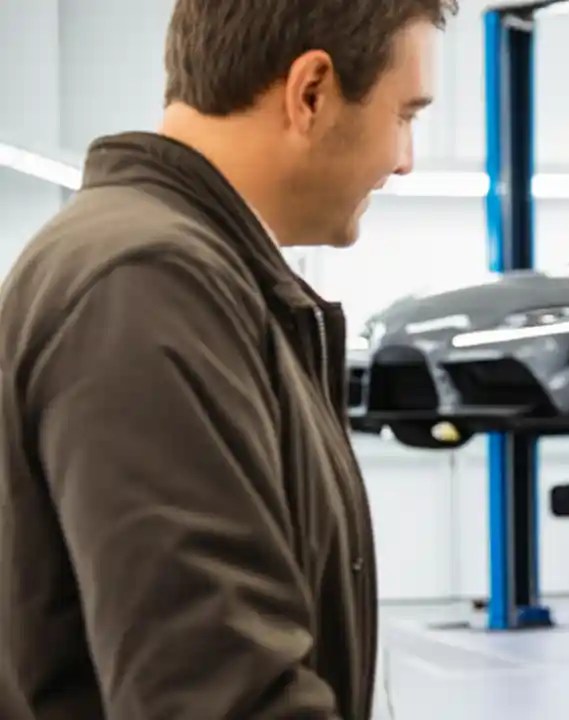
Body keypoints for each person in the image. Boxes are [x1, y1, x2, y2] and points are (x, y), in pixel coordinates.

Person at [0, 1, 456, 718]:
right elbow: (218, 693)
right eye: (406, 116)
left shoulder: (197, 278)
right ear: (311, 92)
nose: (404, 160)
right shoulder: (147, 285)